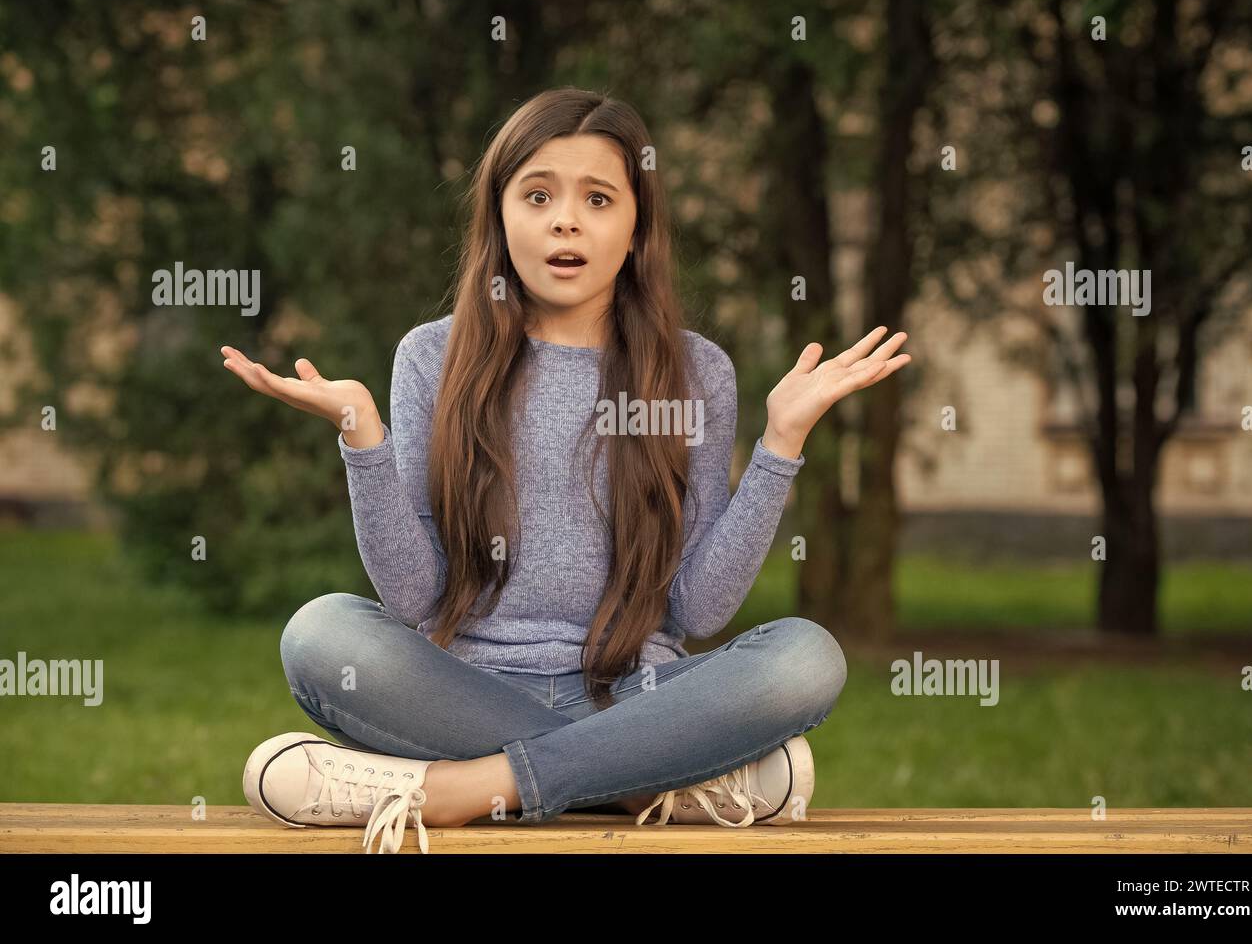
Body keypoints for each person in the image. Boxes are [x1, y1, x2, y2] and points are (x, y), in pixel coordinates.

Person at [223, 86, 911, 853]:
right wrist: (362, 436)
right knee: (320, 633)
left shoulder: (696, 373)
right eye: (538, 195)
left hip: (640, 695)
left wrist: (781, 443)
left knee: (805, 657)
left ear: (636, 226)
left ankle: (463, 788)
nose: (566, 220)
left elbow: (700, 607)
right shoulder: (431, 357)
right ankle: (648, 781)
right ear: (500, 214)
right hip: (466, 692)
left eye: (599, 198)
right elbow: (414, 596)